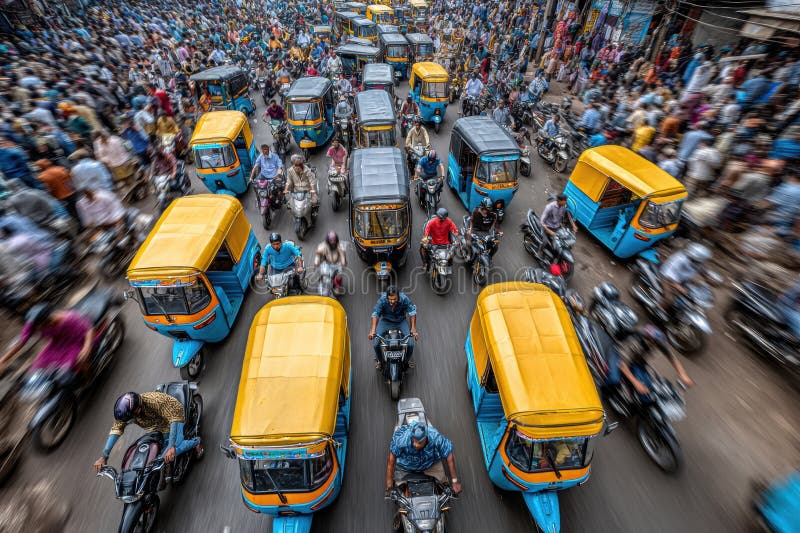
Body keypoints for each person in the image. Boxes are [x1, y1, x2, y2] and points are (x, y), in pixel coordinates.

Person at [93, 390, 203, 474]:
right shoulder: (129, 412)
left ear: (137, 409)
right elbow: (116, 430)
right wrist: (104, 456)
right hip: (156, 426)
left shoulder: (156, 401)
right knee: (153, 454)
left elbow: (173, 420)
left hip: (174, 416)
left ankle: (195, 442)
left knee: (174, 449)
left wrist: (171, 446)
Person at [0, 302, 94, 379]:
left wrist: (86, 348)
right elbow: (20, 343)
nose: (38, 329)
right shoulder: (34, 324)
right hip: (56, 345)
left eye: (40, 326)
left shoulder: (69, 318)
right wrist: (2, 360)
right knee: (37, 367)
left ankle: (88, 380)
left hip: (76, 342)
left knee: (79, 361)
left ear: (48, 320)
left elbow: (89, 330)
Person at [603, 325, 693, 403]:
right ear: (650, 340)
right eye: (656, 343)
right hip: (620, 357)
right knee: (614, 380)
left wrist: (683, 374)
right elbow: (622, 364)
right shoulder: (636, 342)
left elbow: (672, 358)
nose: (659, 345)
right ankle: (604, 391)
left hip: (637, 361)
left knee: (650, 388)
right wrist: (636, 383)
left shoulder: (657, 341)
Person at [385, 421, 462, 499]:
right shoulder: (402, 440)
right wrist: (389, 483)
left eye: (419, 442)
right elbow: (391, 461)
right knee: (398, 492)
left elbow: (449, 453)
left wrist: (454, 481)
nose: (415, 445)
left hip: (429, 464)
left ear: (425, 438)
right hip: (406, 467)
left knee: (445, 487)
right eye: (413, 440)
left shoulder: (435, 437)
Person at [370, 286, 418, 368]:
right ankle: (380, 361)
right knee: (376, 344)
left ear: (398, 296)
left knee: (410, 344)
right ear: (387, 297)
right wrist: (373, 330)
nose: (392, 301)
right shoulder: (382, 300)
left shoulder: (404, 299)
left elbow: (412, 312)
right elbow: (375, 314)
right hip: (386, 321)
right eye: (390, 299)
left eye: (394, 299)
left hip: (400, 321)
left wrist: (413, 328)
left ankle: (407, 361)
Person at [659, 242, 713, 311]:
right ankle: (659, 310)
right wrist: (681, 289)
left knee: (697, 289)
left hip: (683, 279)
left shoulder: (698, 262)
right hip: (667, 278)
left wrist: (708, 277)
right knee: (670, 300)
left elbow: (703, 270)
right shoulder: (679, 259)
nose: (704, 261)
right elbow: (670, 276)